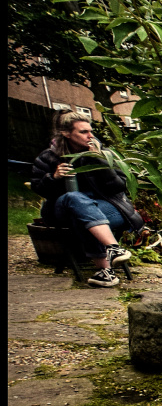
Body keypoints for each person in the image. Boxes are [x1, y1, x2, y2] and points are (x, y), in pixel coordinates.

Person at [31, 111, 143, 287]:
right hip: (62, 209)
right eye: (83, 132)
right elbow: (38, 188)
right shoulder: (48, 157)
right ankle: (114, 248)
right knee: (74, 198)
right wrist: (53, 177)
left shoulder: (104, 153)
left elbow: (120, 186)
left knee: (82, 217)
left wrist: (101, 161)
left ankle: (106, 272)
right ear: (66, 133)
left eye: (90, 131)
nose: (90, 136)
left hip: (105, 207)